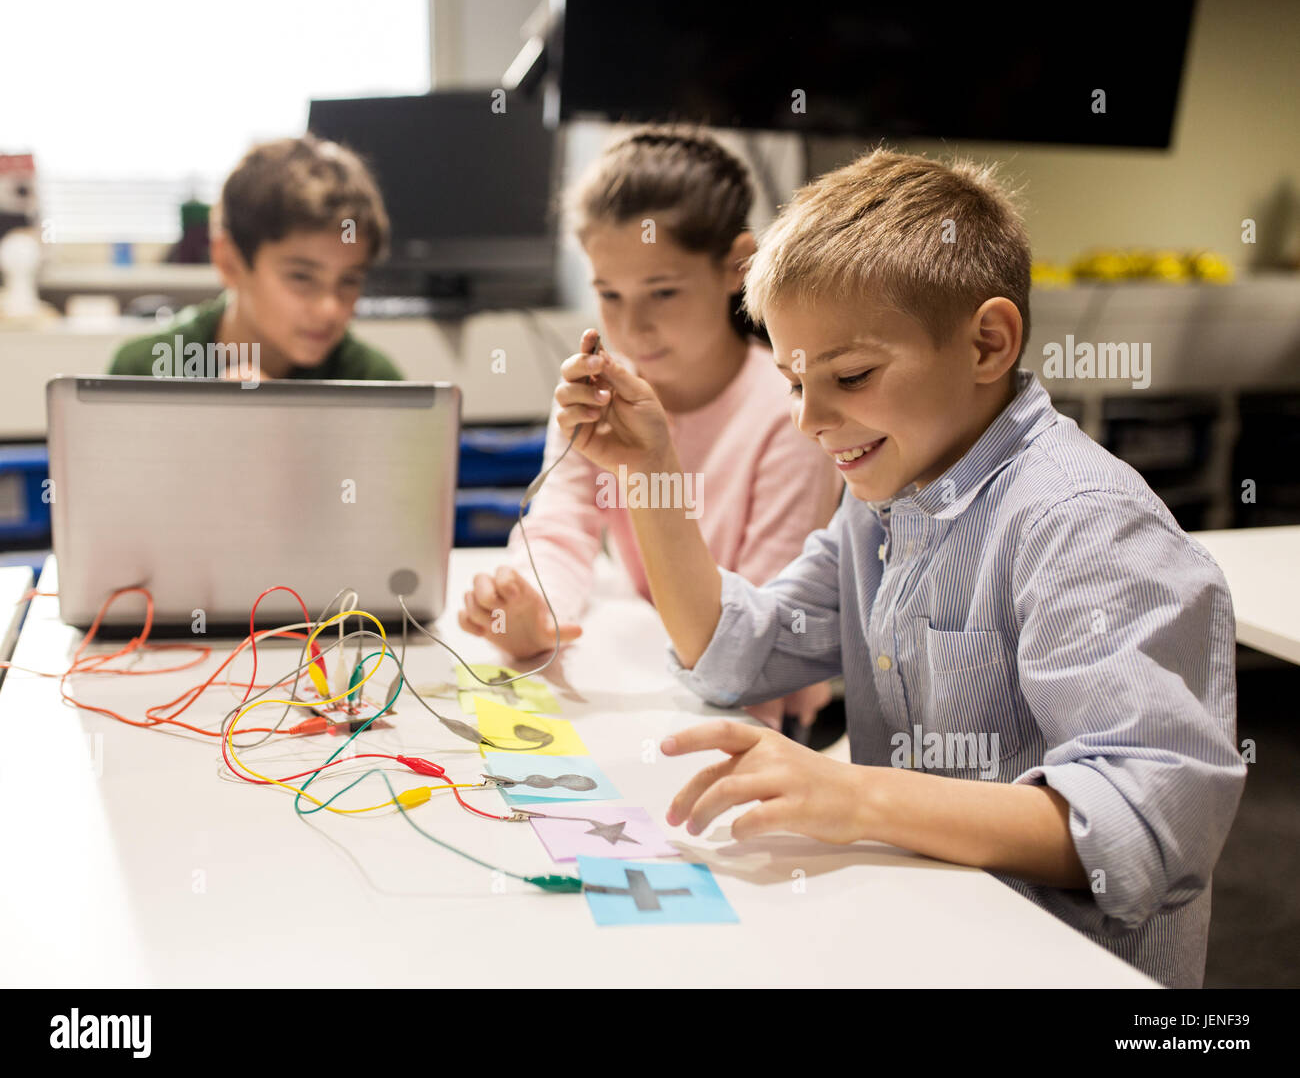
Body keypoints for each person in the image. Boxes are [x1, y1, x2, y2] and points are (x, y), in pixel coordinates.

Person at [550, 147, 1245, 988]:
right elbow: (740, 652)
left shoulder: (1083, 524)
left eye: (851, 375)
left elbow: (1147, 821)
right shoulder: (885, 496)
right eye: (794, 381)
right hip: (922, 933)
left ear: (989, 342)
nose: (810, 420)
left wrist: (858, 795)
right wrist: (649, 470)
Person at [458, 128, 842, 731]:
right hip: (654, 675)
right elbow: (560, 529)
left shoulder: (789, 415)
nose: (632, 328)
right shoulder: (602, 395)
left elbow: (764, 638)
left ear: (739, 267)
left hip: (752, 700)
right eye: (609, 294)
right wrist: (533, 610)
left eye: (662, 292)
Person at [110, 135, 401, 382]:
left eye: (349, 280)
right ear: (229, 262)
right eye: (301, 277)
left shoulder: (374, 383)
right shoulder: (142, 374)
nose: (330, 309)